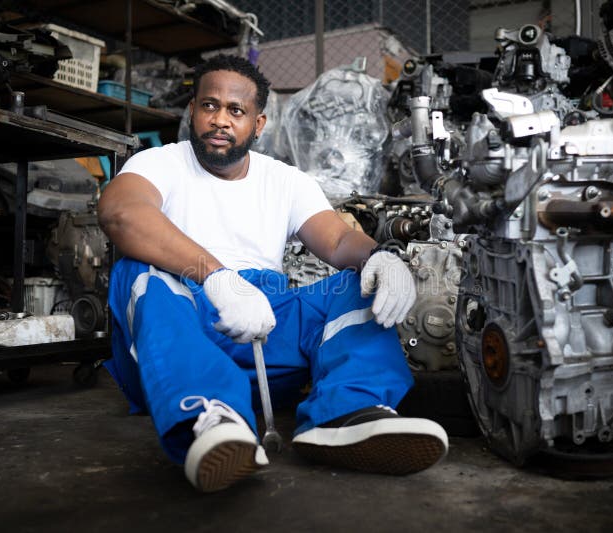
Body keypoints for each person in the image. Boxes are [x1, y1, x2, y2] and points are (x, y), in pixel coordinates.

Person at [97, 54, 448, 493]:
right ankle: (209, 418)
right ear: (192, 111)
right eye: (209, 106)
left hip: (262, 324)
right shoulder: (158, 163)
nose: (220, 120)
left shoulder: (285, 180)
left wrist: (380, 257)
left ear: (258, 124)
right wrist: (215, 277)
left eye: (236, 111)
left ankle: (350, 413)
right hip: (176, 332)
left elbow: (338, 242)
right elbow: (121, 215)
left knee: (356, 284)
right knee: (141, 272)